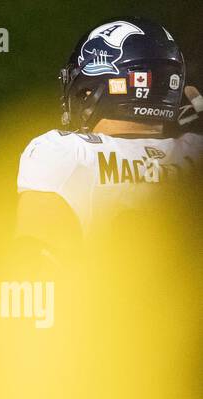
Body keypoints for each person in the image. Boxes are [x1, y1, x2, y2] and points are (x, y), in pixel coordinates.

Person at [16, 17, 201, 262]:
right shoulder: (195, 151)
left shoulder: (62, 153)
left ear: (88, 91)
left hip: (102, 299)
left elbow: (34, 269)